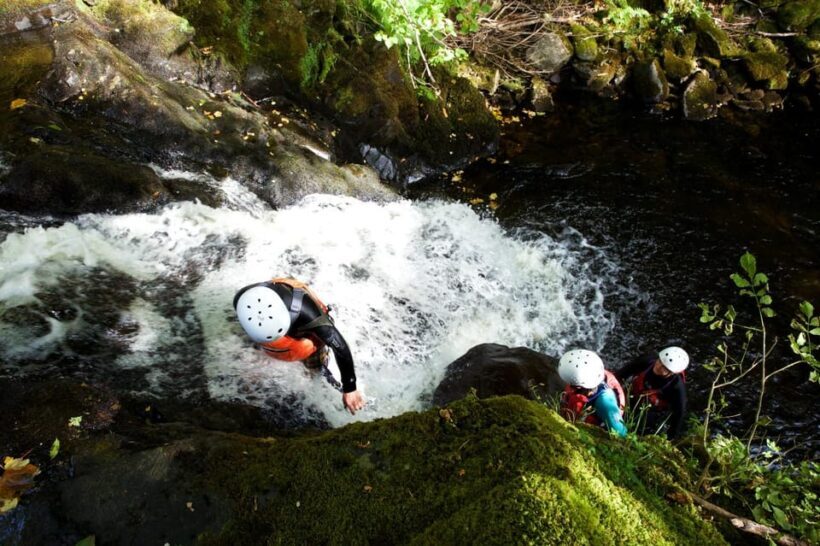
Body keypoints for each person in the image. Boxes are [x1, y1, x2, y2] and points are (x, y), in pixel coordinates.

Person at [233, 277, 365, 414]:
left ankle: (316, 373)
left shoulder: (308, 313)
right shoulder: (243, 299)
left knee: (315, 364)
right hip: (275, 316)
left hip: (301, 322)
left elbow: (340, 346)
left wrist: (350, 388)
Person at [614, 346, 688, 440]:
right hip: (632, 394)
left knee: (638, 429)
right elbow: (620, 375)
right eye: (660, 361)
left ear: (672, 373)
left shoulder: (676, 387)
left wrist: (671, 438)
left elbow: (679, 414)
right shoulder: (647, 362)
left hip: (650, 410)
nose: (658, 366)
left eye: (665, 368)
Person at [558, 349, 627, 437]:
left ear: (578, 386)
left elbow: (621, 433)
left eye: (572, 385)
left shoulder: (605, 403)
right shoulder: (592, 373)